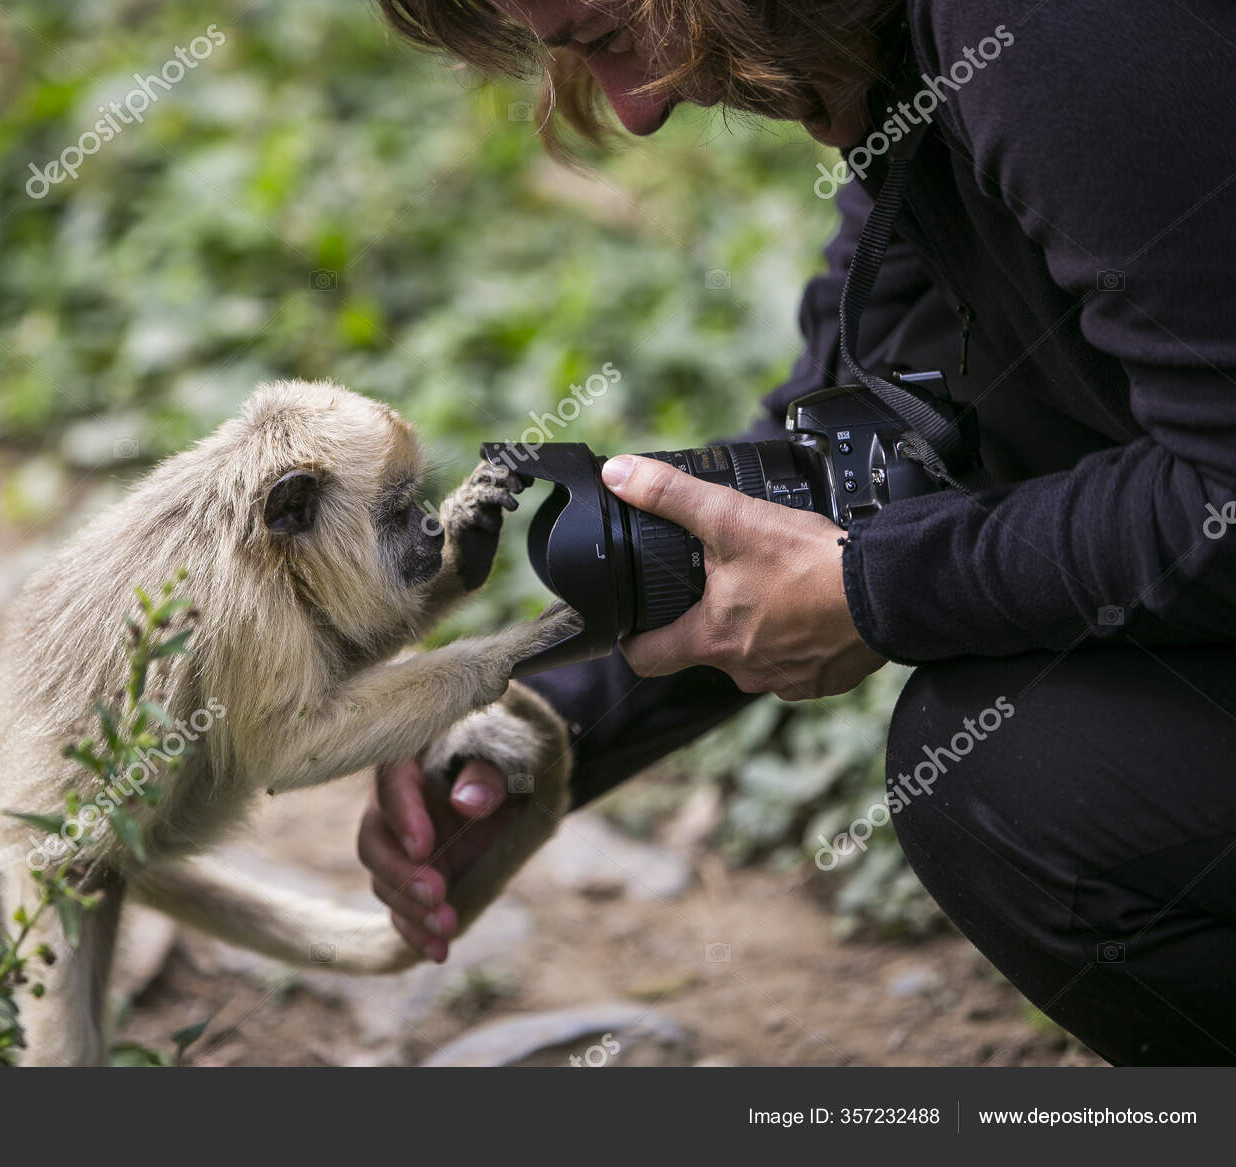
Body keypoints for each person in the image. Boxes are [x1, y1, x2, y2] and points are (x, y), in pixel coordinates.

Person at [356, 0, 1236, 1065]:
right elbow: (830, 476)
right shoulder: (907, 69)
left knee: (1015, 789)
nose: (636, 112)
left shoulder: (1055, 35)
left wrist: (877, 588)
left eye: (607, 36)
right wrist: (535, 730)